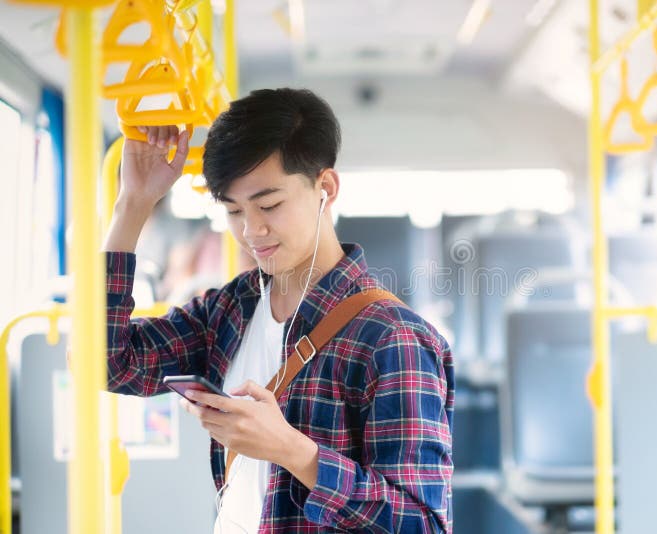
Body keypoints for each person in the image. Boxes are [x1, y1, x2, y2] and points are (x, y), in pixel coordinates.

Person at [103, 88, 455, 533]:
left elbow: (422, 523)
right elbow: (110, 363)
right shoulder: (232, 307)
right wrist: (132, 205)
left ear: (325, 189)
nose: (252, 230)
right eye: (233, 211)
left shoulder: (393, 338)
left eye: (269, 205)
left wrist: (292, 450)